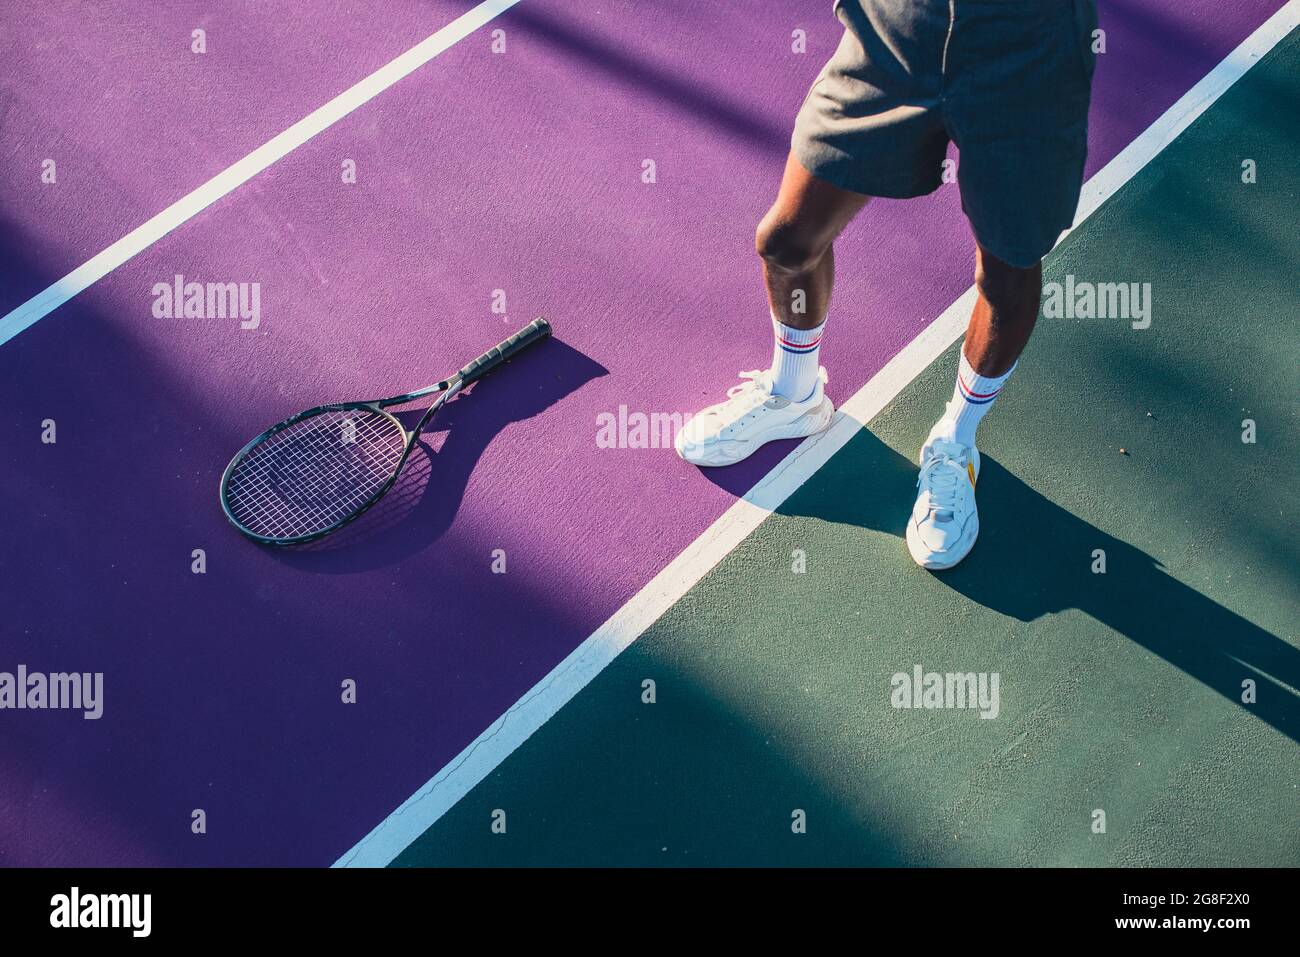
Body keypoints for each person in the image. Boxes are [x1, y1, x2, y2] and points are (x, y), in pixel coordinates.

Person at [675, 0, 1098, 570]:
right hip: (902, 26)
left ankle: (955, 441)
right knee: (787, 241)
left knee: (1007, 272)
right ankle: (794, 395)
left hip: (1026, 55)